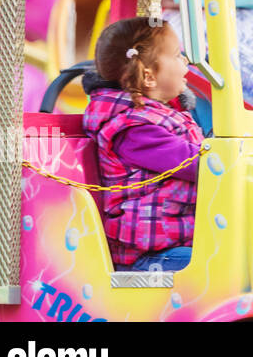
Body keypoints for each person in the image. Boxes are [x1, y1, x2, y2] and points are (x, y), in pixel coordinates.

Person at [82, 17, 203, 273]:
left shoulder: (162, 114)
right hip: (149, 256)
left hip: (174, 241)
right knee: (222, 268)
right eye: (177, 54)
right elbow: (194, 163)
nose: (185, 62)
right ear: (148, 76)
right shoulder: (134, 129)